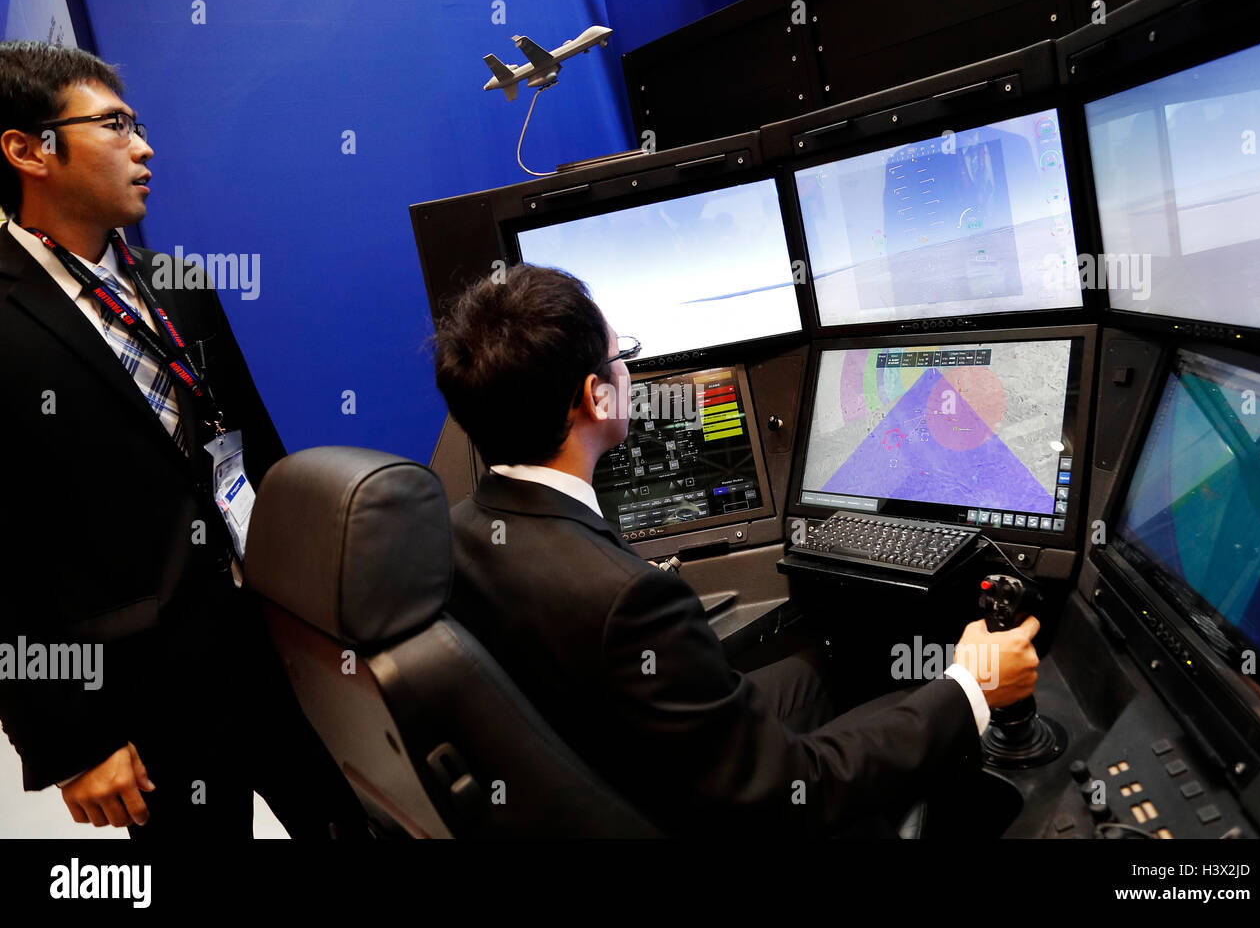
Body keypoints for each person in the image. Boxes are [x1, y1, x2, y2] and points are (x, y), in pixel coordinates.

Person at [433, 263, 1041, 836]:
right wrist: (971, 688)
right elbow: (795, 791)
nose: (630, 373)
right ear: (596, 398)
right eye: (624, 358)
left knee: (833, 664)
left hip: (621, 764)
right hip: (709, 811)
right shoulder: (629, 600)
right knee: (934, 704)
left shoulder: (456, 535)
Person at [0, 41, 365, 837]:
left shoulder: (176, 286)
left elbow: (257, 460)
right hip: (143, 697)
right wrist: (71, 738)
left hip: (277, 649)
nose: (145, 145)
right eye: (115, 124)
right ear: (29, 149)